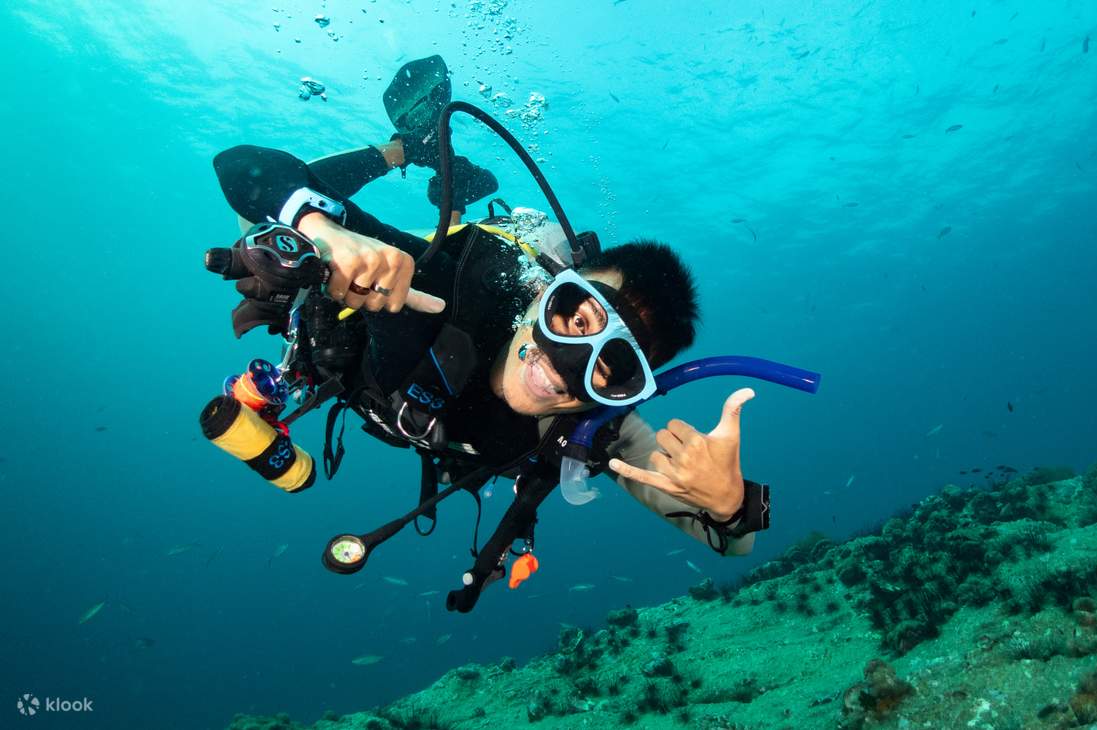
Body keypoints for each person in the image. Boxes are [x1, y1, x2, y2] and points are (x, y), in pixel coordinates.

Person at [205, 55, 775, 610]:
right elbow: (238, 166)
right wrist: (318, 228)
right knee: (276, 237)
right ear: (547, 290)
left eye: (615, 363)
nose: (565, 365)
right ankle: (398, 150)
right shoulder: (437, 284)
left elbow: (735, 542)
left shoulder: (596, 426)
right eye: (576, 317)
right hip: (365, 324)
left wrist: (729, 505)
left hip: (397, 389)